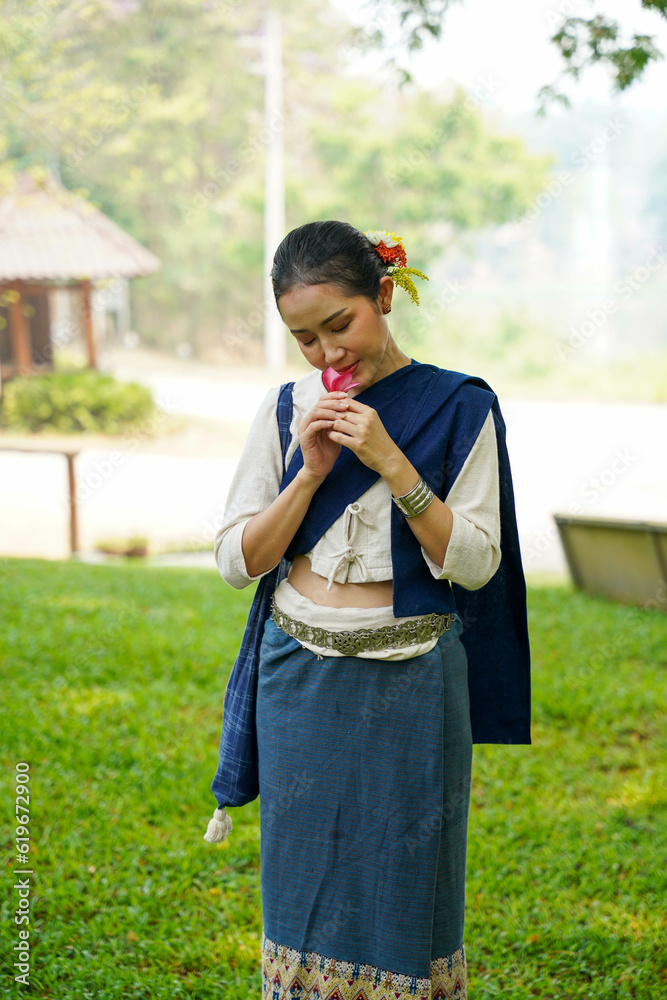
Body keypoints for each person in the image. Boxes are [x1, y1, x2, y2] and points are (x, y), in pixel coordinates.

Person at [205, 221, 531, 1000]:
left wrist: (390, 462)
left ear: (383, 295)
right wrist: (310, 475)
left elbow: (476, 562)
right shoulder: (286, 408)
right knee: (302, 878)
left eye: (339, 325)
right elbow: (235, 560)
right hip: (297, 676)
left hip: (411, 676)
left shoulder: (458, 406)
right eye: (304, 339)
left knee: (406, 881)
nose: (326, 356)